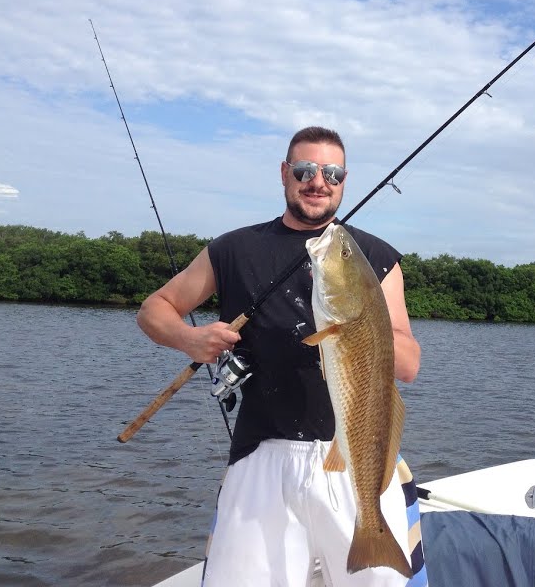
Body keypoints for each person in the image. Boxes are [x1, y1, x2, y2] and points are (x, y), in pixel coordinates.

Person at [137, 126, 426, 587]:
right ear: (285, 173)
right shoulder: (234, 249)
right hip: (262, 455)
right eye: (306, 169)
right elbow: (154, 310)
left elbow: (408, 364)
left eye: (332, 172)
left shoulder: (374, 257)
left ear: (345, 179)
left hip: (356, 458)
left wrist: (362, 331)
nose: (318, 181)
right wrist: (188, 340)